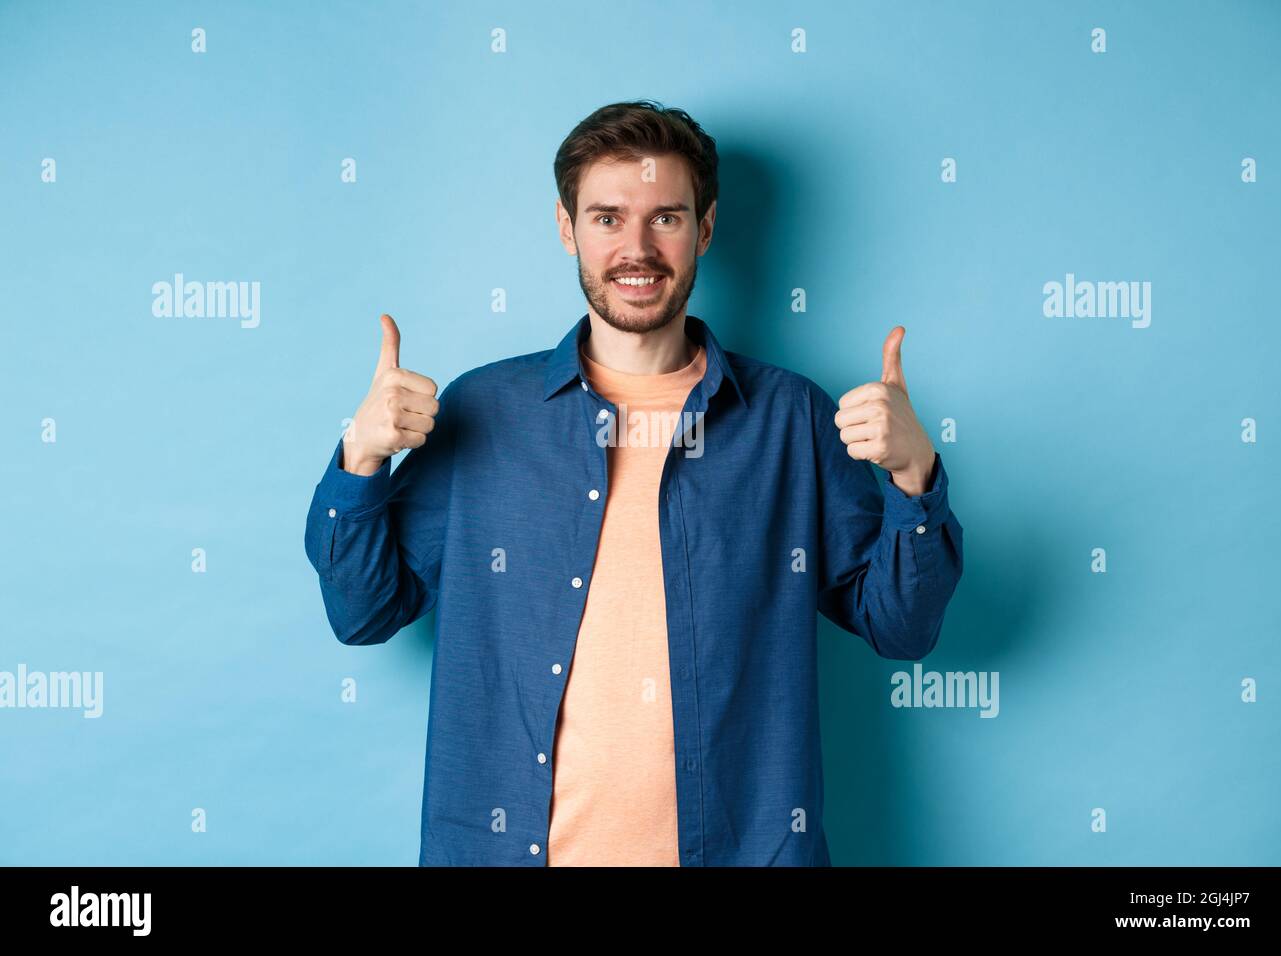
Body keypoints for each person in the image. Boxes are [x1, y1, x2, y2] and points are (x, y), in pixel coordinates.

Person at [303, 100, 963, 866]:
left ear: (706, 229)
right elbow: (361, 612)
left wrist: (914, 476)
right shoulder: (485, 412)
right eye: (608, 218)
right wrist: (362, 457)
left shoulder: (792, 420)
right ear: (566, 228)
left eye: (666, 218)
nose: (637, 248)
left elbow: (902, 627)